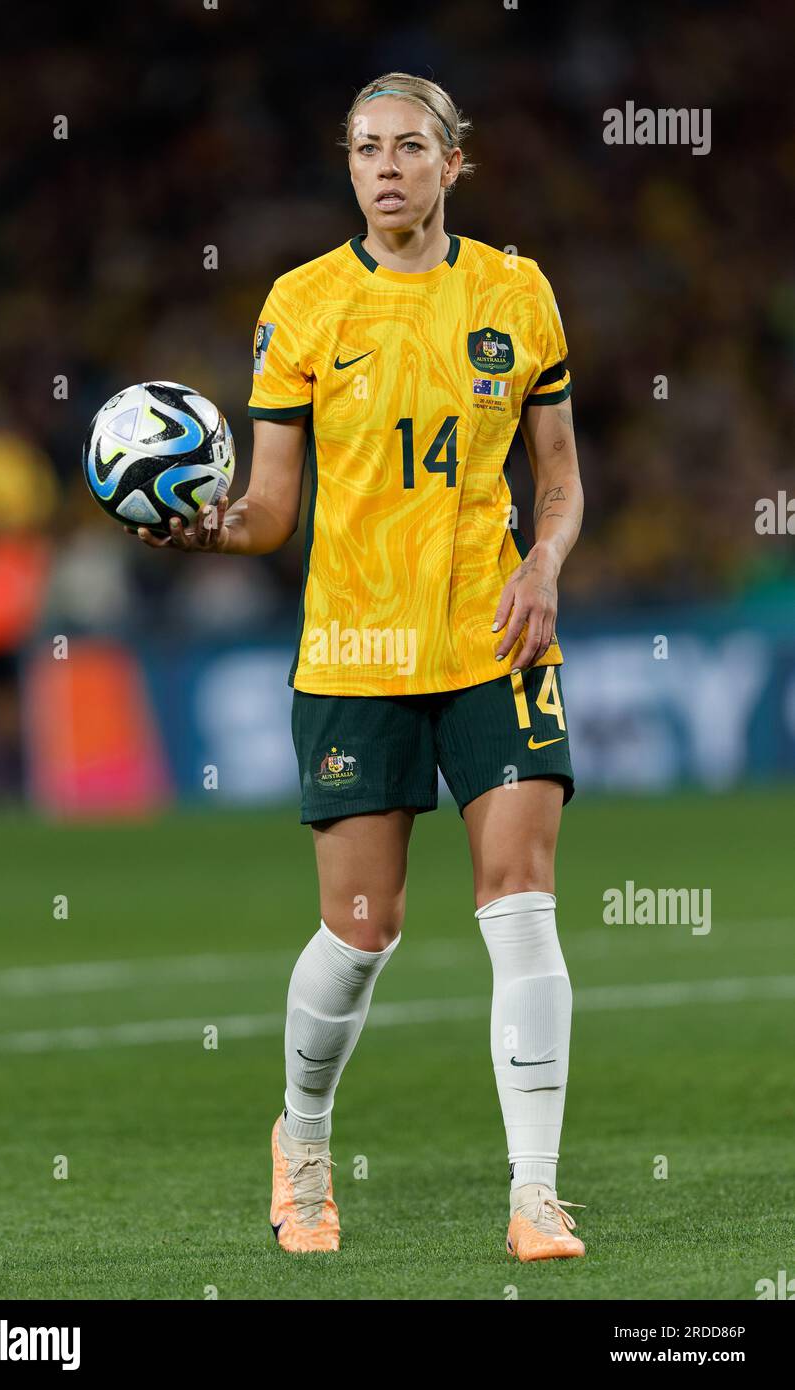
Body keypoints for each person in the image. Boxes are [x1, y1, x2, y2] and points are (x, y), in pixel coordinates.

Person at [134, 72, 585, 1262]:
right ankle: (304, 1142)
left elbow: (558, 475)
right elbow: (270, 511)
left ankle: (534, 1193)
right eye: (364, 148)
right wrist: (203, 527)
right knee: (361, 928)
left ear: (452, 163)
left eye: (409, 147)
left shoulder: (514, 291)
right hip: (354, 647)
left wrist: (541, 561)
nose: (385, 166)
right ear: (347, 167)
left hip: (493, 635)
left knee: (518, 900)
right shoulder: (304, 304)